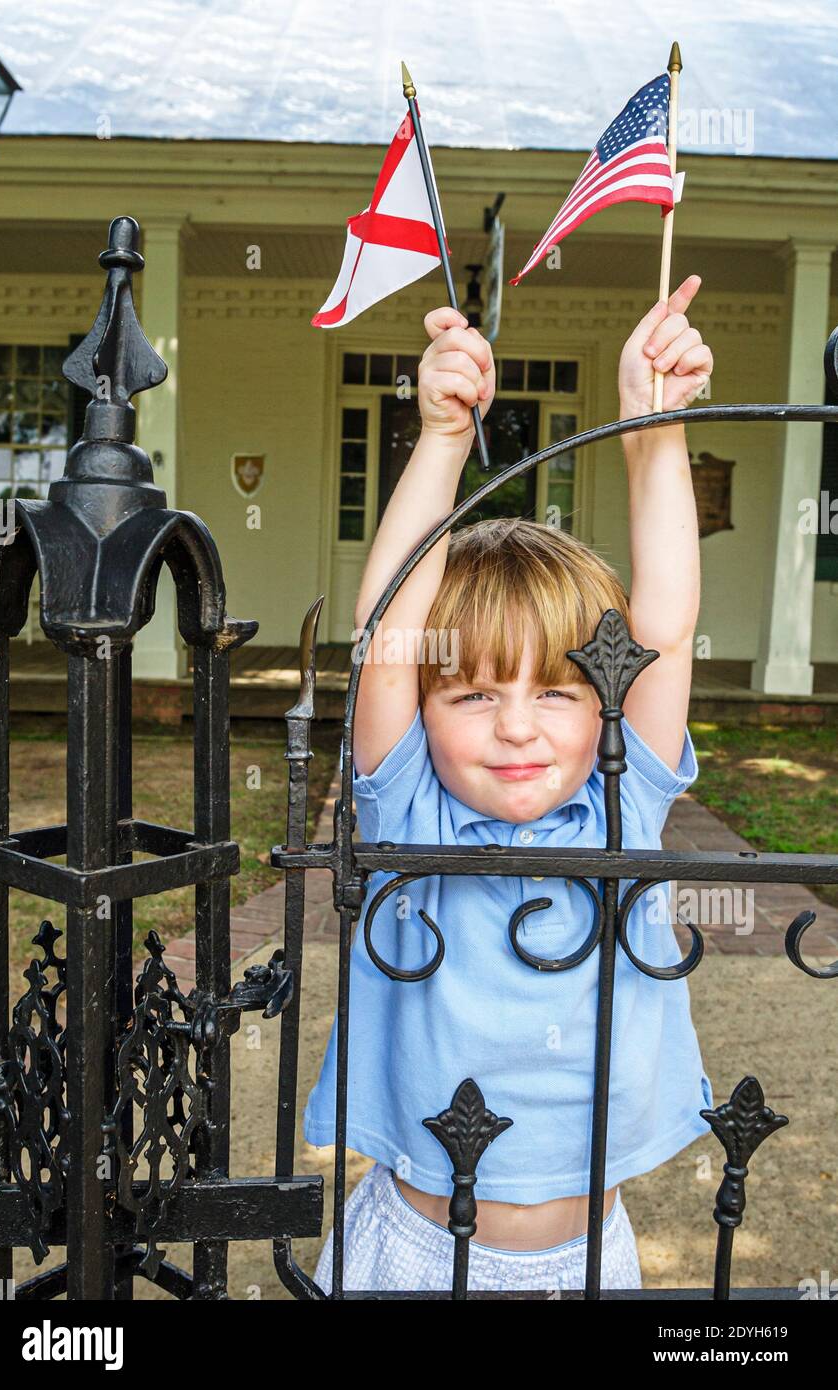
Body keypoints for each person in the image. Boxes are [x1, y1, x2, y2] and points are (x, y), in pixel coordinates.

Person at [305, 277, 716, 1294]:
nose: (520, 727)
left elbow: (659, 621)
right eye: (476, 694)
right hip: (408, 1253)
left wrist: (650, 431)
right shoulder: (409, 810)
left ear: (608, 703)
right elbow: (387, 638)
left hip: (589, 1262)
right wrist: (442, 438)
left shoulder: (620, 803)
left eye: (560, 690)